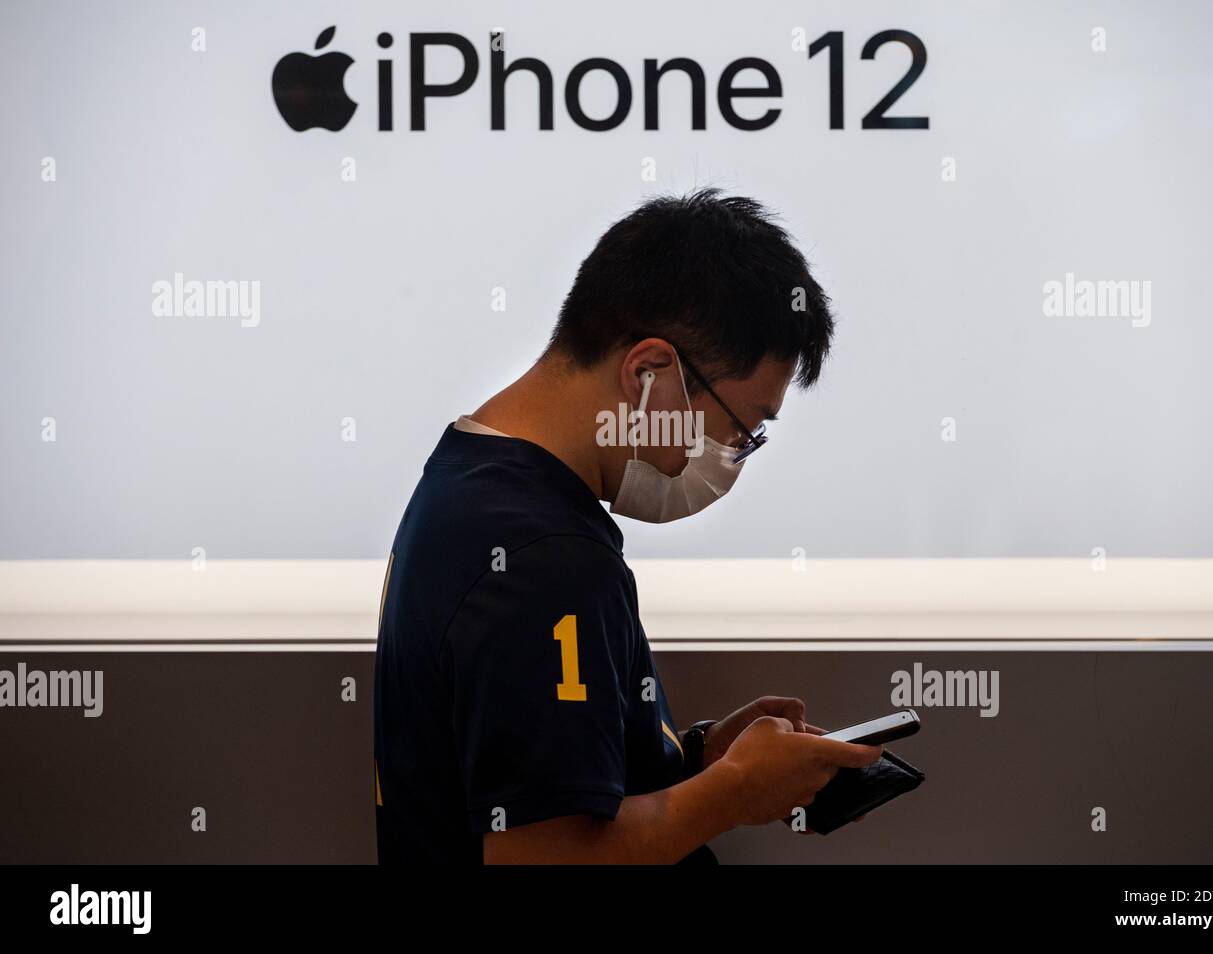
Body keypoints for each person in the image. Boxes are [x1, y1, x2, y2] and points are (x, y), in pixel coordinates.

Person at [373, 187, 881, 864]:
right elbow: (547, 857)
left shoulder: (469, 476)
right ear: (649, 372)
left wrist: (692, 756)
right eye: (741, 429)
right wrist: (733, 791)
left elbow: (545, 776)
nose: (728, 458)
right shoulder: (543, 559)